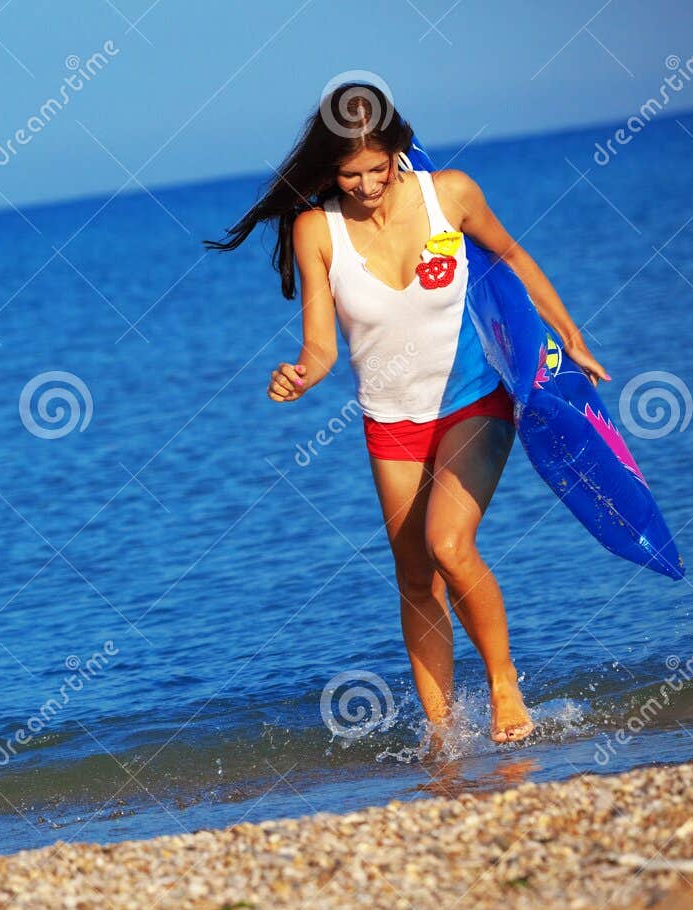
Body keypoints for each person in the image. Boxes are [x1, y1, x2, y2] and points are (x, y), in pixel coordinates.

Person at [206, 84, 609, 745]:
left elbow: (509, 255)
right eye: (349, 173)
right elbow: (321, 342)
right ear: (329, 172)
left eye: (377, 167)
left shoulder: (447, 194)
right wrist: (301, 374)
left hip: (474, 399)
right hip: (389, 419)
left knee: (450, 544)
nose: (366, 185)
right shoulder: (318, 230)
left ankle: (505, 685)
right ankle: (442, 732)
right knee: (414, 575)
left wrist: (569, 333)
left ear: (397, 151)